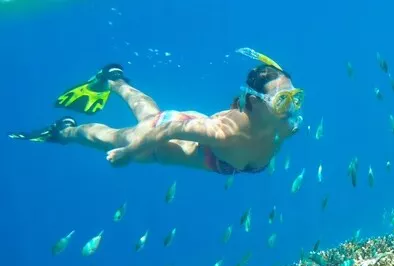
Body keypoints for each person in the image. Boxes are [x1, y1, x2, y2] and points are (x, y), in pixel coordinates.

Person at [8, 48, 303, 174]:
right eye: (282, 100)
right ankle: (66, 131)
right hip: (168, 146)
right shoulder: (224, 133)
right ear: (253, 103)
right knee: (116, 138)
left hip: (201, 136)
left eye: (294, 97)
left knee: (150, 115)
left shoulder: (285, 125)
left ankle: (116, 81)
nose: (291, 107)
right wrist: (129, 152)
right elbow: (169, 128)